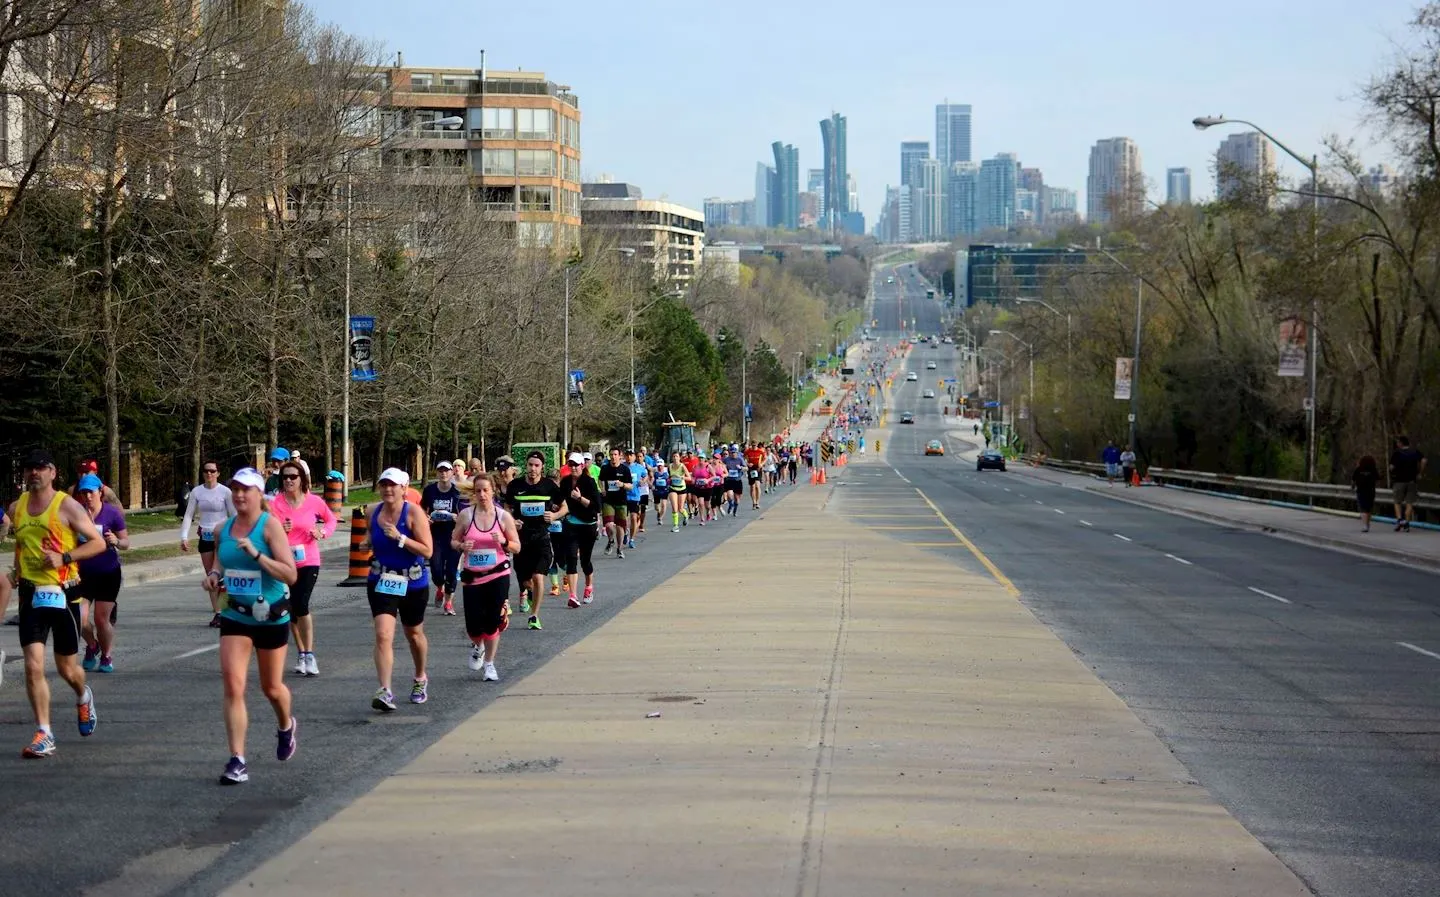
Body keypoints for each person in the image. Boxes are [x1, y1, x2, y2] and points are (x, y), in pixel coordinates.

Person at [203, 467, 300, 784]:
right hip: (236, 615)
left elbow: (290, 575)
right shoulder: (224, 528)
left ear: (260, 494)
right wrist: (215, 576)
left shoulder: (269, 527)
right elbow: (221, 560)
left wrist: (258, 554)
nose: (240, 494)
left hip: (271, 615)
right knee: (233, 685)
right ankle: (237, 759)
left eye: (246, 489)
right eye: (235, 489)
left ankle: (286, 725)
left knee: (271, 688)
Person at [9, 449, 106, 759]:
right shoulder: (16, 507)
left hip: (64, 593)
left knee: (67, 669)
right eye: (28, 468)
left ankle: (83, 694)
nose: (33, 473)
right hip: (30, 595)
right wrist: (17, 569)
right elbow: (23, 544)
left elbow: (98, 542)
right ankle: (44, 732)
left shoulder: (68, 506)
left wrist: (64, 557)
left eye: (40, 468)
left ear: (52, 472)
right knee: (33, 666)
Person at [365, 468, 435, 711]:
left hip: (412, 582)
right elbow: (369, 536)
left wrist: (400, 538)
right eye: (384, 484)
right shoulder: (372, 511)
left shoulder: (413, 513)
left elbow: (428, 551)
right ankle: (385, 690)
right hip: (381, 580)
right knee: (383, 634)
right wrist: (366, 542)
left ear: (404, 489)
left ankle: (420, 677)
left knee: (414, 634)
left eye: (393, 485)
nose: (387, 489)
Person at [270, 460, 338, 676]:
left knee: (301, 604)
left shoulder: (314, 501)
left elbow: (331, 520)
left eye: (293, 477)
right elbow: (267, 530)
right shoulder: (275, 503)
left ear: (302, 479)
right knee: (289, 608)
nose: (289, 480)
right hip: (284, 561)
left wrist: (322, 533)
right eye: (285, 477)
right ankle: (301, 653)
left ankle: (309, 654)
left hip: (308, 560)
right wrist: (280, 529)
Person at [452, 474, 520, 680]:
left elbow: (516, 547)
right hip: (472, 576)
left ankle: (489, 664)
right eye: (478, 490)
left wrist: (503, 541)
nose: (482, 494)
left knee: (492, 621)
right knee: (473, 626)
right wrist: (462, 546)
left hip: (498, 573)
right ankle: (478, 645)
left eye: (485, 490)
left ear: (493, 491)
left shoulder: (503, 517)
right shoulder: (465, 515)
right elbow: (453, 541)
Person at [504, 451, 566, 629]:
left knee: (538, 577)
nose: (533, 469)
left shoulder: (549, 486)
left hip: (541, 537)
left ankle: (534, 616)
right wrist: (511, 520)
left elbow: (565, 507)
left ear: (542, 467)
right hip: (521, 539)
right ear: (526, 466)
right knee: (525, 581)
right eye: (530, 465)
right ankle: (530, 592)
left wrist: (554, 516)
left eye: (536, 465)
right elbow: (507, 506)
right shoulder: (515, 485)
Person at [76, 475, 128, 674]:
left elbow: (126, 543)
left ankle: (106, 655)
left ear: (100, 492)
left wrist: (115, 540)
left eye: (91, 491)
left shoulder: (111, 513)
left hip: (108, 572)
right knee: (79, 617)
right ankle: (92, 645)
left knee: (101, 619)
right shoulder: (77, 513)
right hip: (83, 574)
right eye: (84, 492)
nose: (88, 496)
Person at [181, 460, 238, 627]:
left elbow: (233, 515)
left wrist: (234, 535)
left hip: (222, 537)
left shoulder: (225, 492)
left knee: (222, 577)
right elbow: (188, 515)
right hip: (205, 536)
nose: (209, 474)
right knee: (211, 576)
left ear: (218, 473)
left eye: (213, 471)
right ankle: (218, 613)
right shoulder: (197, 492)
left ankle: (226, 610)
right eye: (206, 471)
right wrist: (184, 536)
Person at [421, 460, 467, 615]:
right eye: (440, 471)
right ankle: (439, 586)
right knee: (436, 568)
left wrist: (457, 517)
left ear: (452, 473)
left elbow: (466, 512)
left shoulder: (457, 491)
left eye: (446, 471)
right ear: (437, 473)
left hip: (454, 535)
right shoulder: (429, 490)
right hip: (435, 535)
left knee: (452, 569)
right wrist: (425, 517)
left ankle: (448, 603)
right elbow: (422, 509)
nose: (443, 473)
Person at [560, 452, 601, 605]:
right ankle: (572, 595)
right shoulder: (565, 482)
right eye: (571, 464)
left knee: (585, 561)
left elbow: (596, 507)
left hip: (588, 525)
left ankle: (589, 586)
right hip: (571, 524)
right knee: (571, 558)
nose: (573, 467)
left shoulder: (589, 482)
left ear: (582, 466)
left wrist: (579, 498)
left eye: (576, 464)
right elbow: (559, 499)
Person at [1389, 436, 1426, 532]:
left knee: (1397, 501)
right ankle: (1407, 523)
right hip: (1412, 481)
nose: (1397, 444)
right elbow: (1424, 460)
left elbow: (1391, 467)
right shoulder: (1414, 452)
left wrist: (1392, 471)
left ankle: (1399, 520)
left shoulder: (1397, 453)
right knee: (1409, 502)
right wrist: (1420, 473)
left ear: (1401, 443)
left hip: (1399, 481)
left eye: (1398, 442)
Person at [600, 447, 632, 559]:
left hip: (621, 501)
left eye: (615, 454)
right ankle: (611, 540)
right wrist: (602, 489)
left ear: (620, 456)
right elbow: (601, 480)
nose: (613, 457)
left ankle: (619, 549)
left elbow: (630, 486)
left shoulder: (625, 470)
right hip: (608, 500)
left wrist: (622, 485)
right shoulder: (605, 468)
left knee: (620, 526)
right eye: (611, 455)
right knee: (608, 525)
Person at [1351, 455, 1380, 533]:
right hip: (1371, 491)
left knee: (1363, 508)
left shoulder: (1358, 469)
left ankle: (1365, 525)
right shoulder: (1373, 470)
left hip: (1361, 490)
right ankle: (1367, 524)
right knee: (1368, 508)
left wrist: (1353, 486)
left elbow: (1353, 479)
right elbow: (1377, 479)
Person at [625, 448, 648, 548]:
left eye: (631, 455)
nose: (629, 457)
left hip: (635, 496)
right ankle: (625, 533)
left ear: (634, 457)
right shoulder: (622, 466)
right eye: (627, 455)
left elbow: (646, 475)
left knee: (634, 518)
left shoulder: (639, 467)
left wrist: (643, 481)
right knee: (624, 520)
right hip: (623, 496)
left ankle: (632, 539)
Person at [667, 452, 689, 532]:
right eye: (674, 456)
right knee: (674, 507)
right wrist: (669, 479)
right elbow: (668, 477)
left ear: (679, 458)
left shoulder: (682, 466)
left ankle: (686, 515)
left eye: (676, 456)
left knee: (680, 508)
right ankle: (675, 526)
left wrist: (682, 477)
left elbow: (689, 478)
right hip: (673, 488)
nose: (675, 458)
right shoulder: (670, 466)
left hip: (682, 488)